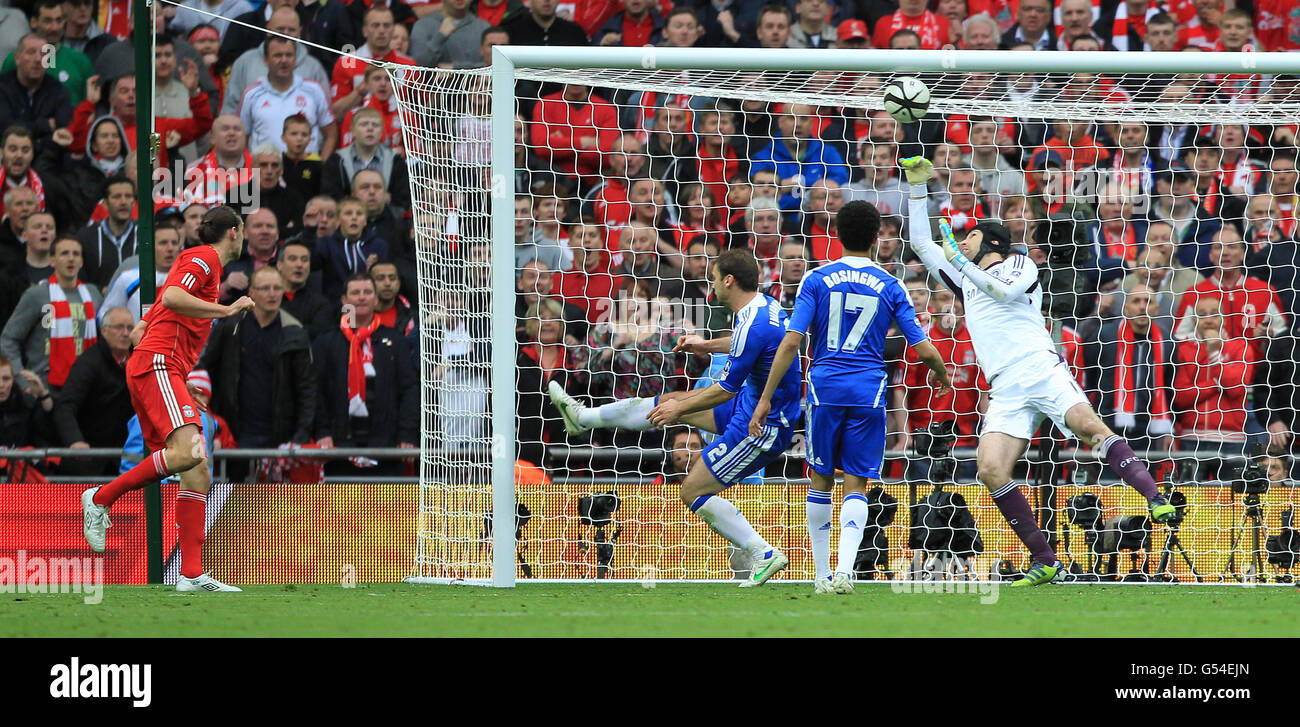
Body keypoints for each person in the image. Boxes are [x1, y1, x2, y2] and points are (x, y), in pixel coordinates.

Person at [899, 155, 1178, 587]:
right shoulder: (966, 277)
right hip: (1005, 387)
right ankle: (1045, 559)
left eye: (967, 237)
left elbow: (1005, 292)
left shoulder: (1019, 264)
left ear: (988, 240)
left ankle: (1155, 497)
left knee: (1090, 427)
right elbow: (920, 242)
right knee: (991, 469)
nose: (960, 242)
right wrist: (918, 188)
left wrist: (961, 262)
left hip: (1040, 367)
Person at [548, 249, 803, 588]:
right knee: (667, 398)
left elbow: (725, 388)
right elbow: (747, 344)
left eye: (714, 278)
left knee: (692, 489)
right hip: (750, 406)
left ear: (728, 280)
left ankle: (762, 552)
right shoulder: (762, 306)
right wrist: (706, 345)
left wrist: (680, 410)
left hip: (761, 426)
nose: (711, 285)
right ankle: (584, 417)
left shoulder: (752, 322)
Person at [750, 201, 951, 594]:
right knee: (856, 482)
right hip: (867, 390)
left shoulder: (816, 279)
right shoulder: (890, 284)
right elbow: (922, 346)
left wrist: (766, 397)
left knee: (820, 477)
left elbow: (791, 342)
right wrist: (941, 374)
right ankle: (845, 571)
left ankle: (821, 574)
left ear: (837, 234)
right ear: (878, 238)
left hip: (824, 387)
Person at [81, 205, 253, 592]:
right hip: (158, 365)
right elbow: (174, 297)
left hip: (161, 367)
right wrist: (225, 309)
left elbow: (146, 324)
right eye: (244, 230)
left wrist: (178, 378)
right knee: (189, 453)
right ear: (234, 231)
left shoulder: (197, 263)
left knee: (198, 469)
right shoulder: (204, 257)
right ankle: (101, 497)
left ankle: (191, 575)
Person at [199, 266, 316, 455]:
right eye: (265, 288)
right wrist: (214, 425)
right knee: (235, 485)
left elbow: (307, 388)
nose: (272, 294)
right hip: (236, 431)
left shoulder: (294, 331)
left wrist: (301, 434)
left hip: (280, 434)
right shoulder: (231, 327)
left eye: (277, 288)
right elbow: (204, 372)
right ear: (252, 292)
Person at [1, 236, 101, 390]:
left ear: (81, 262)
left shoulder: (93, 294)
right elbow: (8, 339)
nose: (71, 259)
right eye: (64, 253)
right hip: (44, 387)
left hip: (86, 387)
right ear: (52, 261)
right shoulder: (36, 295)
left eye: (76, 254)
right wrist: (23, 381)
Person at [52, 305, 135, 476]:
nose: (126, 333)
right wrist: (75, 441)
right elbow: (65, 406)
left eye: (130, 328)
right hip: (89, 458)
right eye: (119, 327)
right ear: (103, 331)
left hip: (126, 457)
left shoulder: (139, 360)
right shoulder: (88, 363)